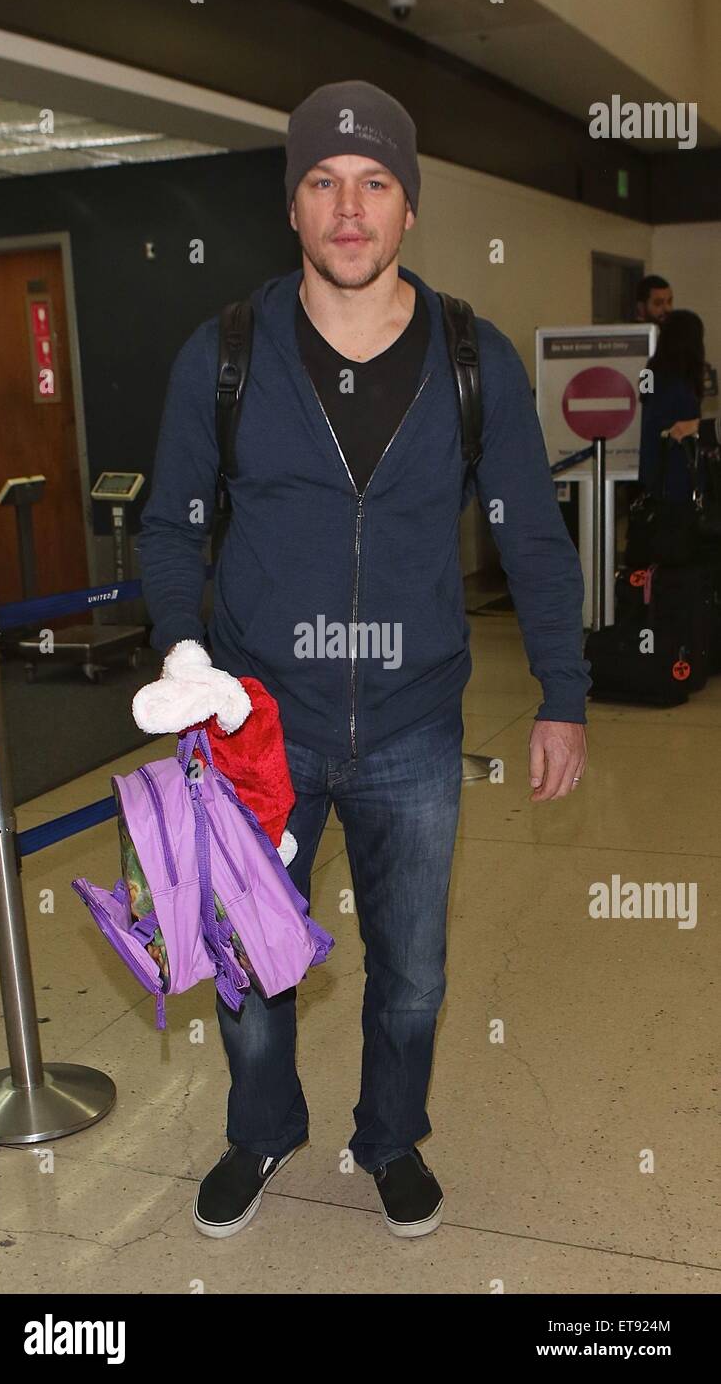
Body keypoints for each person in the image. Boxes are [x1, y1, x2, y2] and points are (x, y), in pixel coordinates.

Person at [136, 80, 590, 1242]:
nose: (351, 209)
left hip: (414, 729)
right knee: (249, 964)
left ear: (409, 207)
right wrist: (185, 655)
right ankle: (262, 1126)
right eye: (324, 183)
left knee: (416, 973)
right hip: (253, 730)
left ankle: (389, 1138)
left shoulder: (469, 356)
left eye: (375, 183)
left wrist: (563, 695)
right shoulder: (224, 354)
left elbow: (532, 535)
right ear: (292, 207)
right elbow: (173, 525)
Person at [639, 309, 705, 501]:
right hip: (678, 473)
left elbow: (645, 401)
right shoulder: (684, 381)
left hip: (652, 468)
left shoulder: (649, 370)